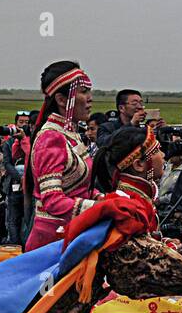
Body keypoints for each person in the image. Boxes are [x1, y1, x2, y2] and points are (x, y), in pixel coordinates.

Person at [23, 61, 100, 252]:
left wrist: (106, 199)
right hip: (52, 242)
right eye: (83, 91)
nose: (90, 98)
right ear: (61, 99)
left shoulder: (70, 134)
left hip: (71, 235)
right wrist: (101, 209)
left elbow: (78, 190)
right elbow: (53, 200)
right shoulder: (51, 137)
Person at [92, 123, 165, 207]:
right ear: (138, 164)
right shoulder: (128, 209)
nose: (163, 155)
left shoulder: (136, 199)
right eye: (156, 151)